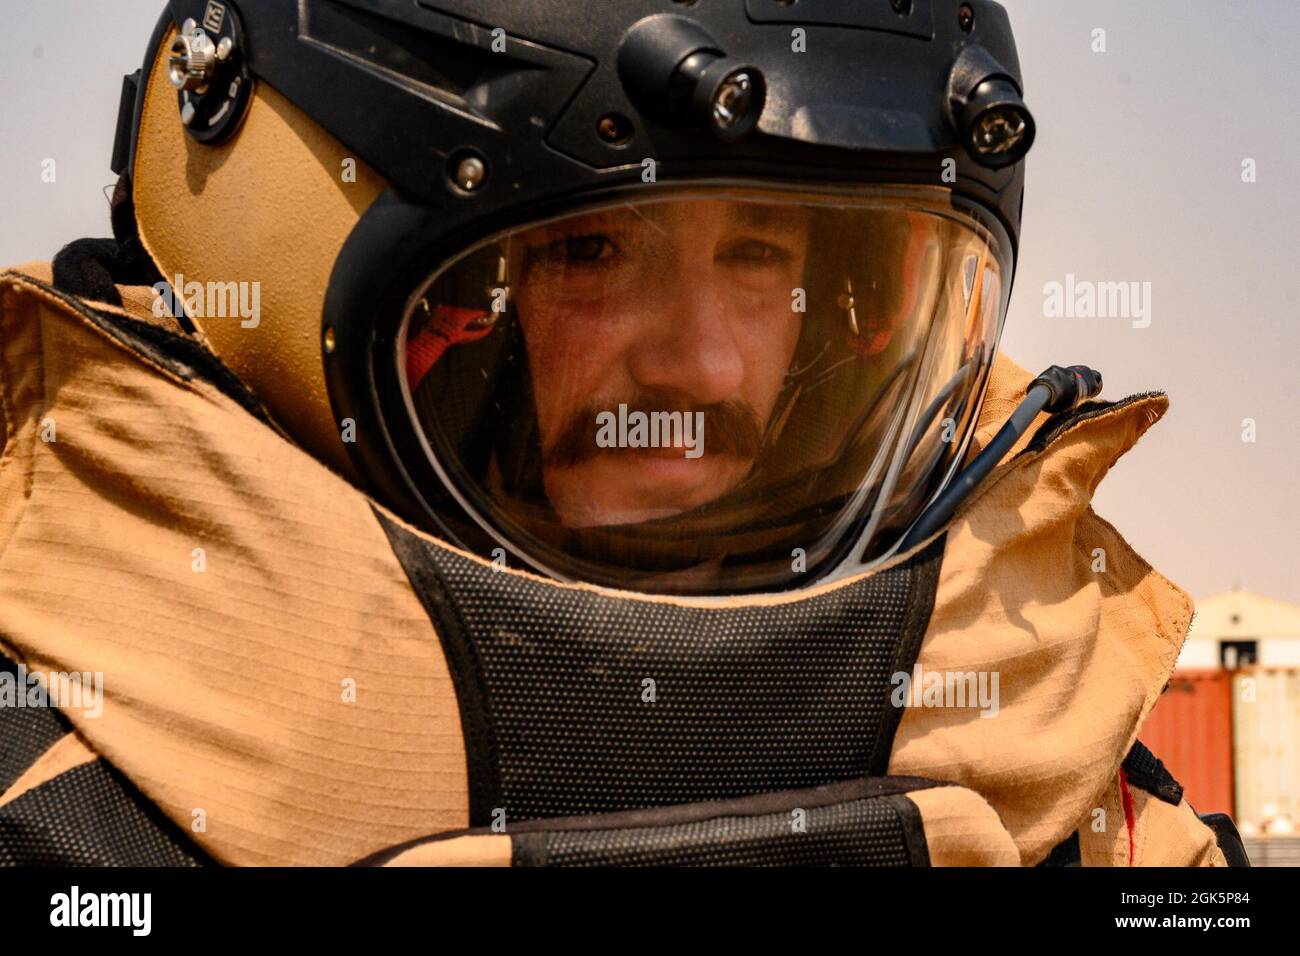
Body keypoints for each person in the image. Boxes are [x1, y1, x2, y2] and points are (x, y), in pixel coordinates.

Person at [0, 0, 1246, 867]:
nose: (699, 362)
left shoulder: (1064, 764)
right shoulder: (60, 782)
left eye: (759, 256)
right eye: (589, 251)